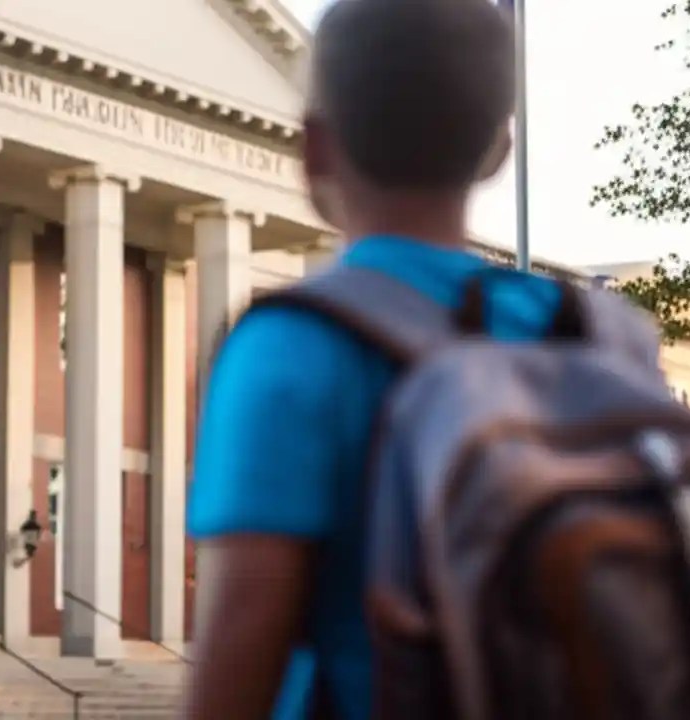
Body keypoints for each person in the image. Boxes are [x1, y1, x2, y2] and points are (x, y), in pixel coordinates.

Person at [183, 1, 546, 717]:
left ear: (314, 148)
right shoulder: (584, 335)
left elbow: (233, 674)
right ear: (499, 150)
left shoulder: (292, 349)